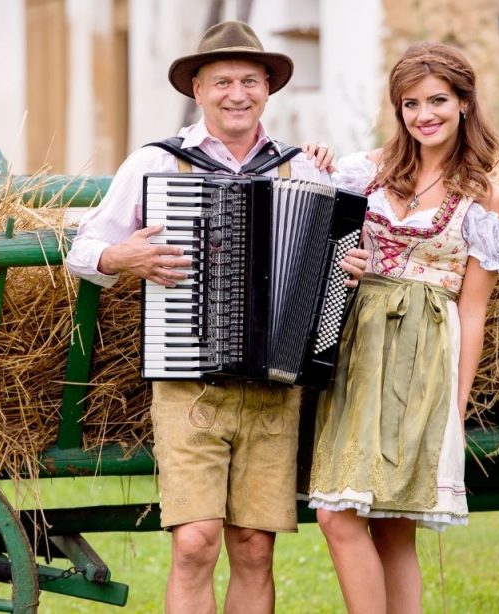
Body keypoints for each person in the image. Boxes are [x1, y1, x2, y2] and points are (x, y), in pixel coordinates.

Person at [65, 21, 370, 614]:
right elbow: (82, 248)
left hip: (274, 390)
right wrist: (120, 256)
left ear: (267, 90)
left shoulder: (300, 168)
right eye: (223, 81)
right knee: (195, 543)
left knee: (255, 547)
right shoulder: (156, 162)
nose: (238, 93)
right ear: (198, 90)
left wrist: (346, 266)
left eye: (250, 81)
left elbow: (334, 255)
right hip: (188, 387)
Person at [307, 42, 499, 613]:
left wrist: (456, 401)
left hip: (423, 354)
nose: (424, 115)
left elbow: (472, 310)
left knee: (394, 524)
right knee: (339, 514)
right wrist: (313, 160)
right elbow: (308, 228)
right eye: (410, 104)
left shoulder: (484, 199)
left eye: (437, 101)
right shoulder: (368, 172)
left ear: (465, 104)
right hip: (355, 347)